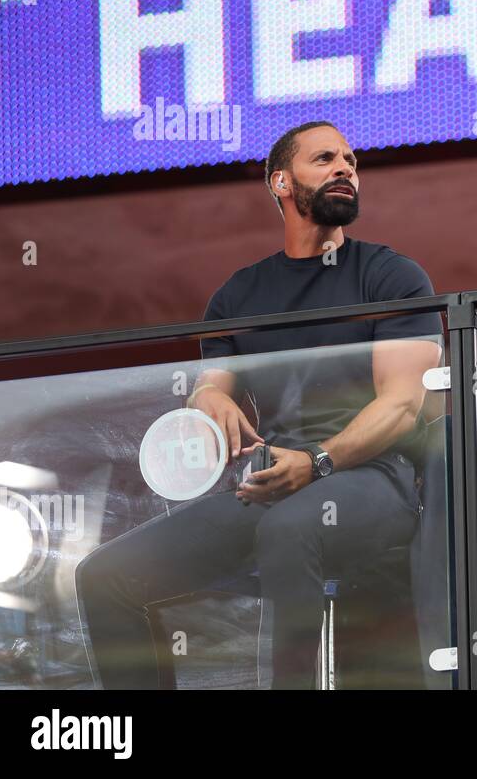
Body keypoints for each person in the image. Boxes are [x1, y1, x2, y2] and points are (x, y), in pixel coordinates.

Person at [77, 120, 447, 688]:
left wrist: (317, 462)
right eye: (325, 159)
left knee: (290, 529)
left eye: (351, 160)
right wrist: (208, 399)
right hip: (276, 482)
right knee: (105, 576)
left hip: (374, 477)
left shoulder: (392, 275)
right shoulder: (239, 294)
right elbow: (212, 384)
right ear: (280, 182)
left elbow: (401, 406)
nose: (345, 169)